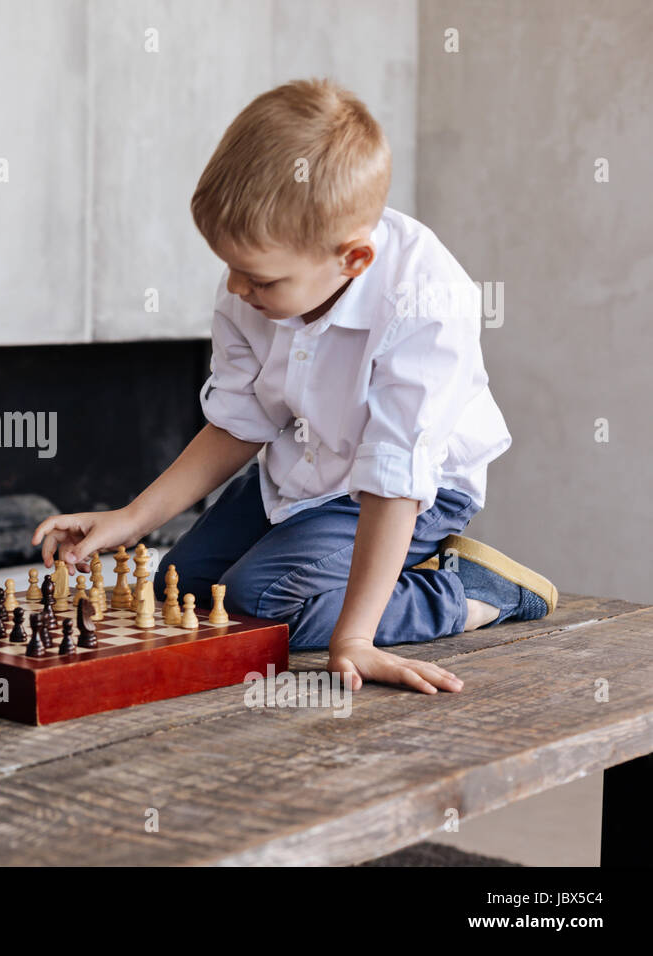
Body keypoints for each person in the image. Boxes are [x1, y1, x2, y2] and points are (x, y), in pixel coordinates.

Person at [32, 78, 556, 695]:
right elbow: (239, 419)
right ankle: (350, 581)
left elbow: (393, 478)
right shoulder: (259, 279)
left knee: (259, 605)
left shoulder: (426, 302)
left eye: (256, 278)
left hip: (415, 491)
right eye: (229, 267)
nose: (235, 289)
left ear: (351, 260)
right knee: (193, 591)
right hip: (304, 474)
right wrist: (131, 517)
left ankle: (466, 591)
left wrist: (356, 637)